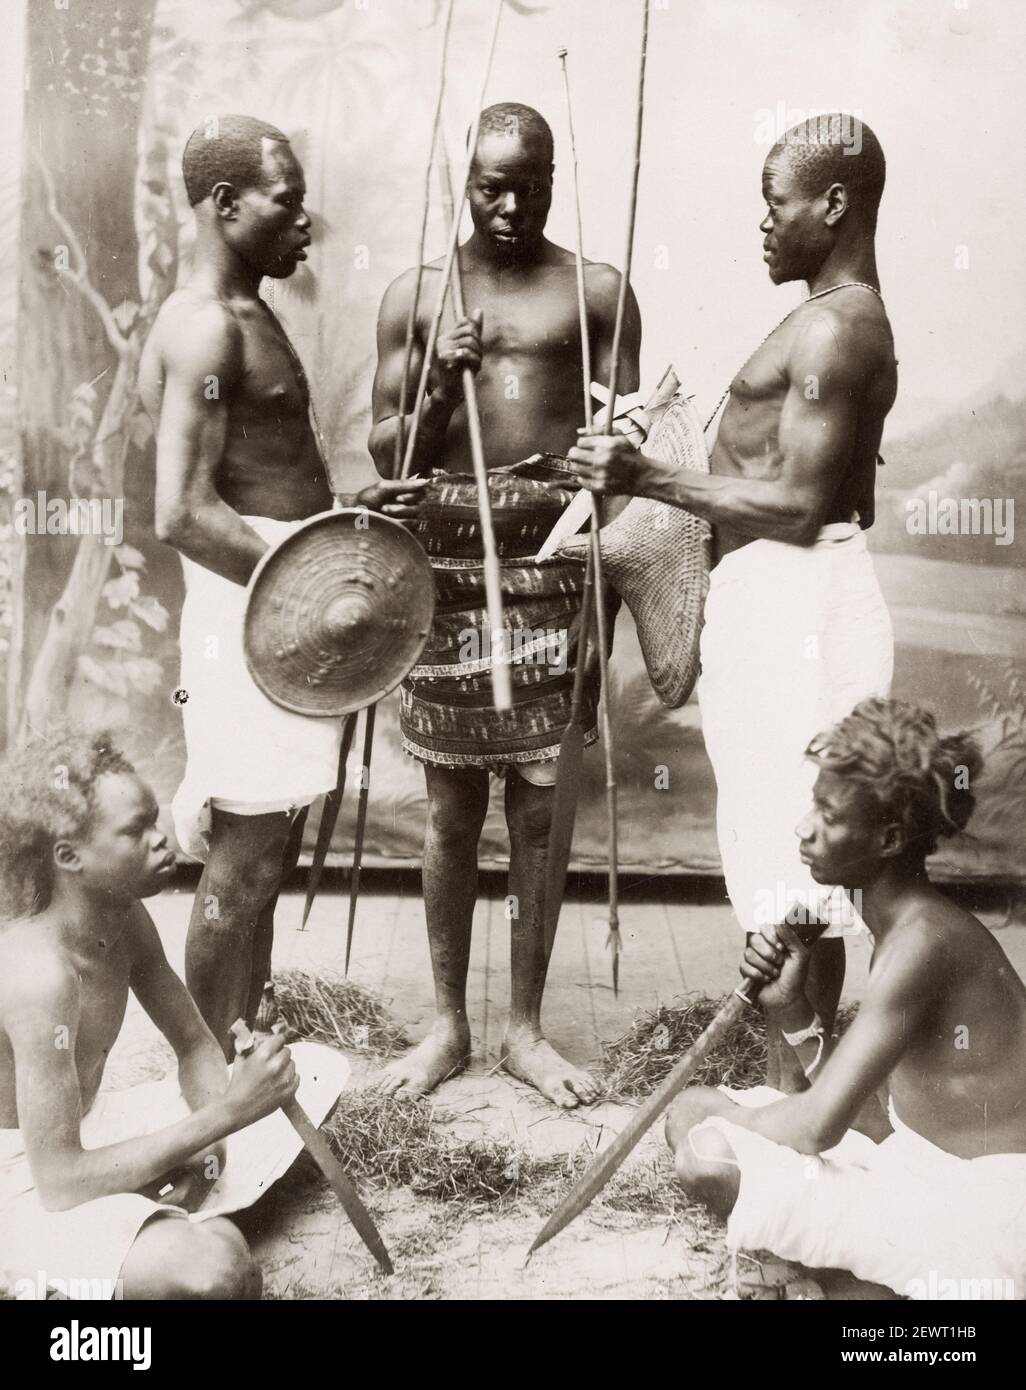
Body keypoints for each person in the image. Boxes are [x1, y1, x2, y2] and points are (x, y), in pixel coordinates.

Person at [569, 115, 897, 1089]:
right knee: (782, 855)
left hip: (801, 605)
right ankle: (802, 1089)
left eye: (776, 203)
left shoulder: (840, 326)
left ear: (833, 204)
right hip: (775, 604)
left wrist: (647, 476)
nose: (762, 224)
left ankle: (798, 1115)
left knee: (791, 862)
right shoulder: (825, 312)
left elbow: (798, 501)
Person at [368, 102, 641, 1106]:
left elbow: (627, 444)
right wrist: (441, 380)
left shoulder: (598, 292)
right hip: (444, 560)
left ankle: (525, 1028)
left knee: (538, 807)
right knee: (450, 808)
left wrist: (602, 482)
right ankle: (446, 1022)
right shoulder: (417, 295)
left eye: (530, 183)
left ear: (555, 177)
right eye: (491, 184)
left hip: (556, 567)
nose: (511, 203)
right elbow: (382, 454)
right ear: (464, 181)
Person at [139, 115, 425, 1048]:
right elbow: (181, 510)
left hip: (285, 606)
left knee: (271, 848)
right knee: (246, 858)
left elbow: (261, 482)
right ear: (226, 206)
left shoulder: (252, 316)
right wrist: (308, 577)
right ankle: (209, 1075)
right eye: (287, 202)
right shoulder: (202, 329)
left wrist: (346, 511)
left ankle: (247, 1043)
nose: (309, 223)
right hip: (250, 616)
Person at [666, 698, 1026, 1300]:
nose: (804, 827)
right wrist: (792, 1011)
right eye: (814, 804)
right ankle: (853, 1287)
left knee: (708, 1152)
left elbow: (816, 1128)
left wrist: (738, 1126)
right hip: (924, 1169)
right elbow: (884, 1117)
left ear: (887, 838)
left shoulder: (923, 943)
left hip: (990, 1214)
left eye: (829, 815)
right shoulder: (903, 926)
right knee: (693, 1112)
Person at [0, 728, 347, 1300]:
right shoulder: (41, 976)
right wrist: (225, 1118)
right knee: (218, 1273)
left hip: (85, 1130)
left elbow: (192, 1043)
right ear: (69, 857)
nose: (163, 843)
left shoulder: (122, 913)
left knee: (310, 1070)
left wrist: (210, 1137)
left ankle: (147, 1228)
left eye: (155, 822)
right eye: (136, 832)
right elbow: (58, 1182)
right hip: (29, 1178)